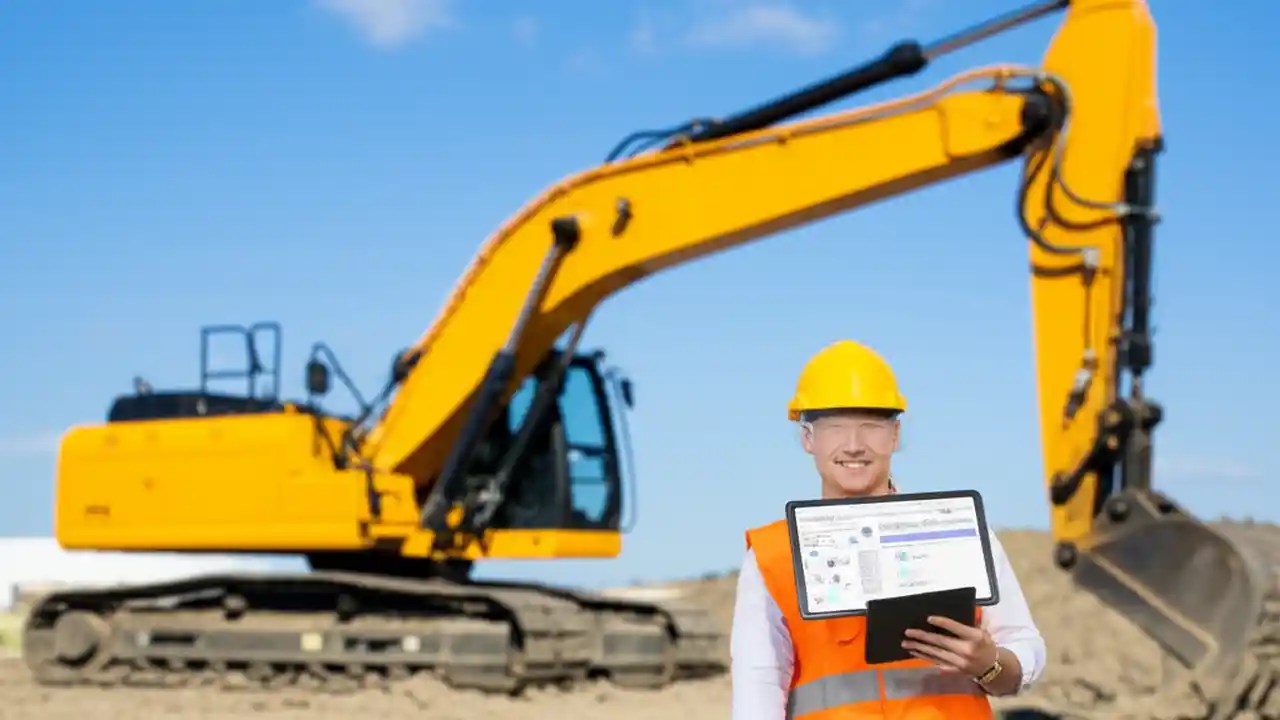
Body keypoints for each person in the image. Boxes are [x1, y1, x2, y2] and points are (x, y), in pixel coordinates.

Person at [730, 339, 1046, 719]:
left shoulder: (957, 532)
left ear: (894, 434)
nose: (853, 445)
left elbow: (1024, 647)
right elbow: (757, 692)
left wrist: (989, 664)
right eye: (834, 427)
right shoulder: (773, 556)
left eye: (871, 427)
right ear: (808, 438)